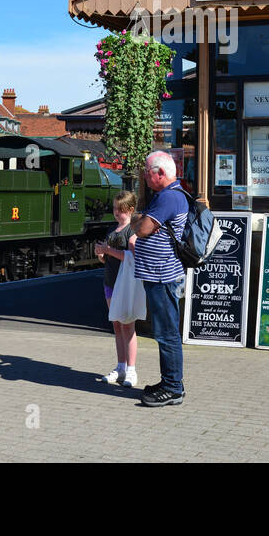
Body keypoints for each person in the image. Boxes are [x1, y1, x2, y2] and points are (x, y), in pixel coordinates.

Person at [127, 150, 189, 407]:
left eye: (147, 172)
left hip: (162, 276)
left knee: (166, 333)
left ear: (161, 173)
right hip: (160, 275)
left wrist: (135, 219)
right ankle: (170, 382)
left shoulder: (167, 198)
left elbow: (141, 229)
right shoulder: (168, 196)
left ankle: (173, 387)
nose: (145, 176)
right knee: (165, 331)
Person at [93, 191, 138, 387]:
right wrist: (101, 254)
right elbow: (107, 259)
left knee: (128, 326)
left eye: (120, 210)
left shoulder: (132, 230)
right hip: (110, 282)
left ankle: (131, 370)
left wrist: (109, 250)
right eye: (114, 209)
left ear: (130, 210)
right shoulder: (112, 231)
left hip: (126, 284)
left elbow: (132, 256)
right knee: (117, 326)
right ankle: (120, 367)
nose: (116, 213)